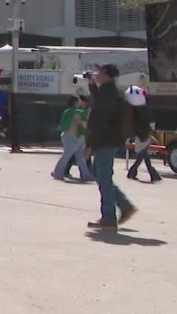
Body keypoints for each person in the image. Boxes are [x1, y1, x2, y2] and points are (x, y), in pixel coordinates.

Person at [84, 64, 137, 231]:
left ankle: (109, 217)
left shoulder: (107, 95)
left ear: (106, 75)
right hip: (108, 140)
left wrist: (89, 144)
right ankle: (124, 205)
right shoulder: (108, 92)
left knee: (104, 177)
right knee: (98, 173)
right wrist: (93, 86)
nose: (97, 74)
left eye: (99, 72)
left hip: (105, 141)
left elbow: (99, 121)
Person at [52, 96, 92, 181]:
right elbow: (82, 124)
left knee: (79, 157)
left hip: (68, 136)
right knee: (70, 156)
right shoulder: (78, 112)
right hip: (75, 136)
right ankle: (57, 172)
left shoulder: (67, 112)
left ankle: (86, 175)